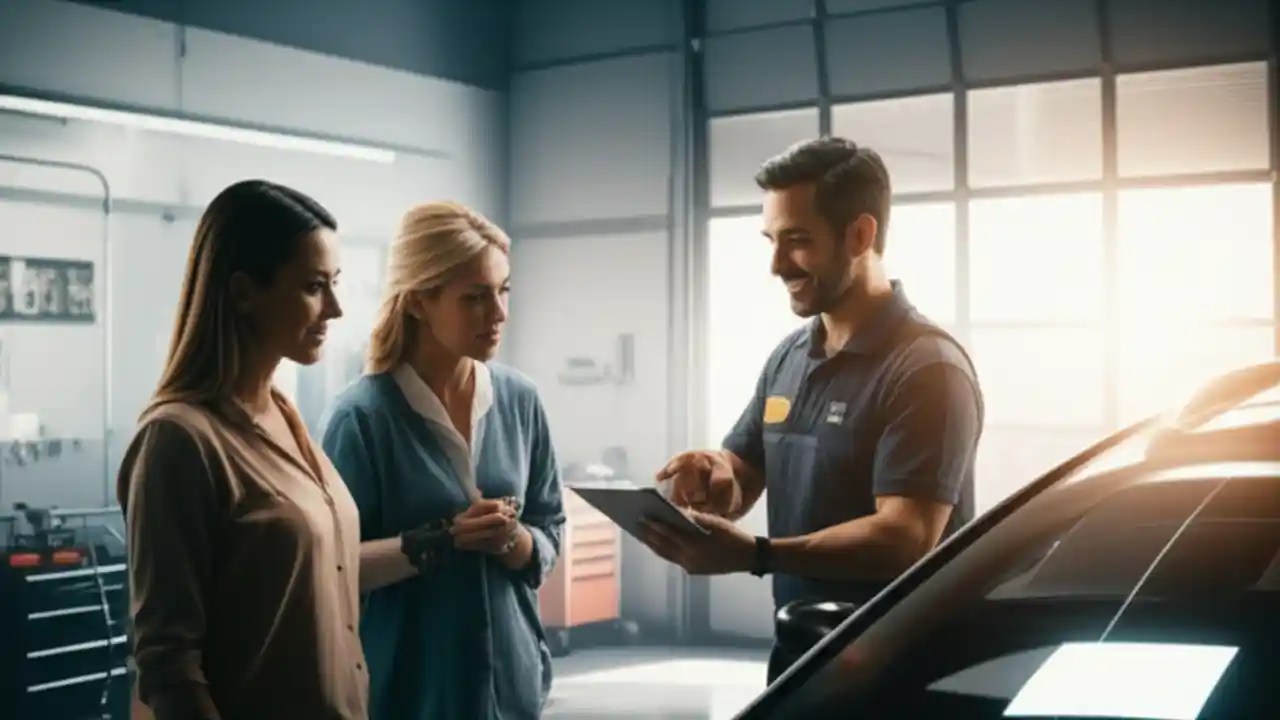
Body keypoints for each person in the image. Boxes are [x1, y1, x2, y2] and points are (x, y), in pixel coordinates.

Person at [640, 137, 984, 682]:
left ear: (861, 235)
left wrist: (757, 554)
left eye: (797, 241)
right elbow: (744, 470)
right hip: (799, 659)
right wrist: (712, 473)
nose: (777, 264)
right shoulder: (790, 356)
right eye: (771, 241)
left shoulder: (927, 368)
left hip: (900, 673)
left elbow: (905, 537)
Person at [117, 180, 367, 719]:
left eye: (336, 283)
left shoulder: (285, 416)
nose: (336, 309)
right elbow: (168, 664)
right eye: (313, 286)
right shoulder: (179, 441)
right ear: (242, 291)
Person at [319, 201, 565, 720]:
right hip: (412, 694)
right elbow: (333, 567)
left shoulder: (521, 400)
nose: (498, 313)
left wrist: (515, 541)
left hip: (514, 691)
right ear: (418, 303)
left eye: (503, 291)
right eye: (476, 297)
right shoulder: (360, 419)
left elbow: (550, 530)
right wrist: (443, 539)